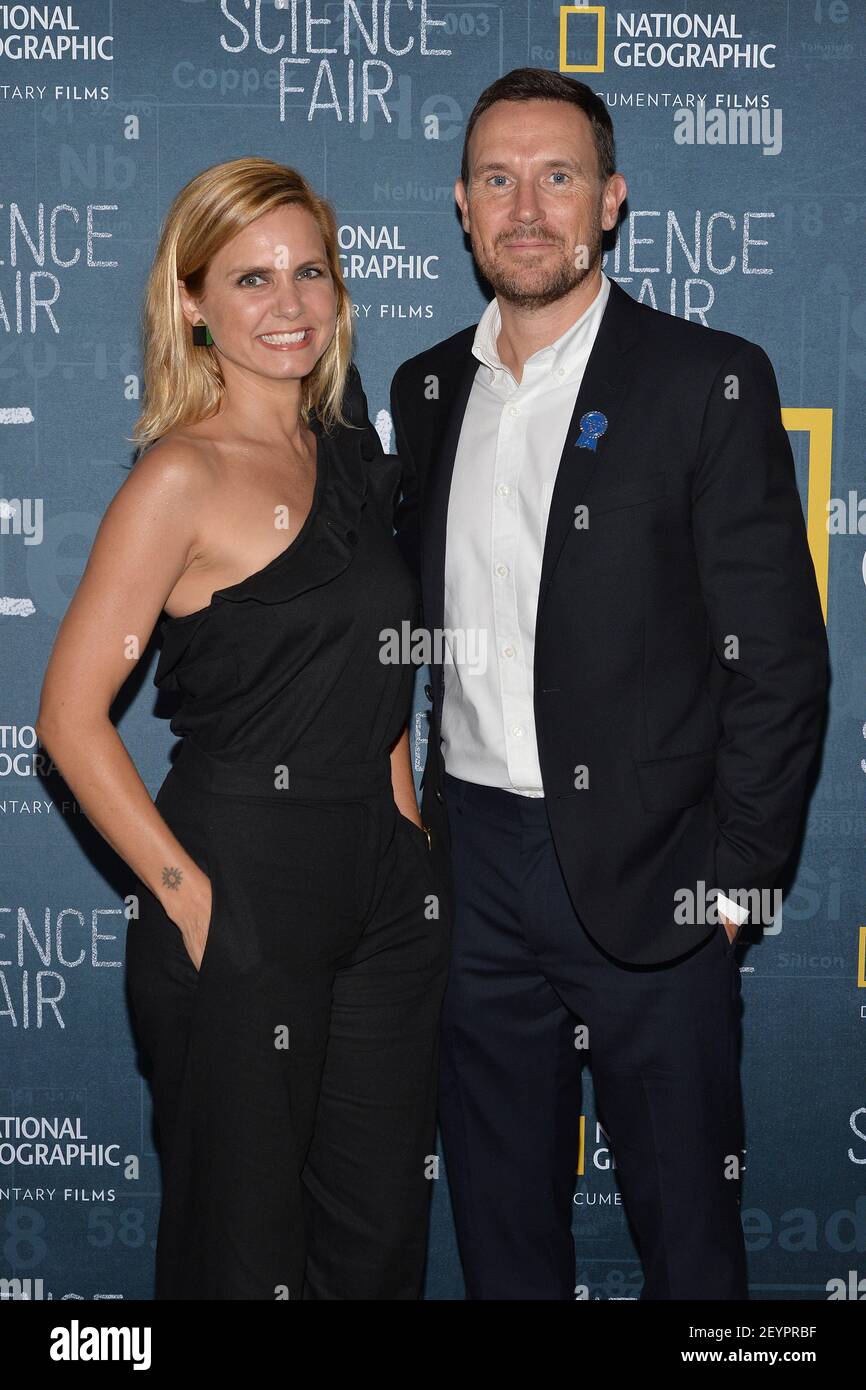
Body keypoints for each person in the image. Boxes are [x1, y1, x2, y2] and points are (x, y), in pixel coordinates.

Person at [390, 69, 829, 1300]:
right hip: (471, 866)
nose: (525, 206)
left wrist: (737, 882)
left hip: (658, 867)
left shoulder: (705, 378)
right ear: (462, 209)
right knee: (497, 1228)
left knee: (689, 1238)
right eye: (496, 179)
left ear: (612, 199)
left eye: (558, 175)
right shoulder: (425, 391)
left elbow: (777, 659)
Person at [36, 157, 450, 1300]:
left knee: (374, 1240)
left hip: (379, 885)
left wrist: (405, 826)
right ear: (192, 303)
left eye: (308, 270)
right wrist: (187, 894)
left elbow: (377, 663)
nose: (288, 303)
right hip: (242, 867)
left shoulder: (353, 459)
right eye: (251, 278)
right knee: (243, 1246)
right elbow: (68, 718)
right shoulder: (180, 474)